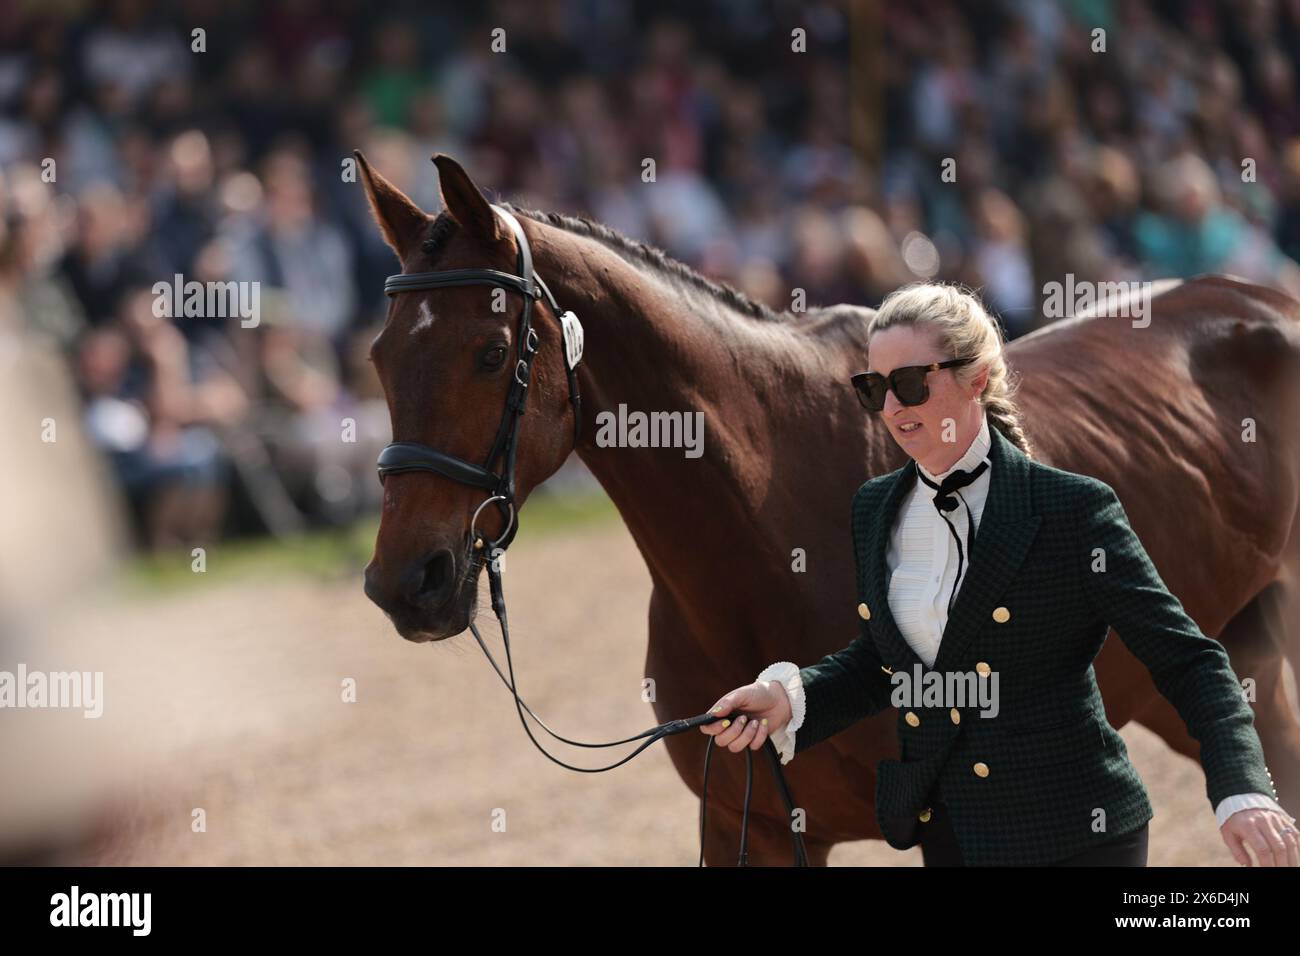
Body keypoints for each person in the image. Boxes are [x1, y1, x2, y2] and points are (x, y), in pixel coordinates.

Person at [702, 282, 1299, 867]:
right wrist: (791, 697)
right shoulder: (875, 509)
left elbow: (1187, 658)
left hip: (1077, 838)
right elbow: (890, 661)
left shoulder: (1071, 508)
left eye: (910, 384)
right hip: (952, 835)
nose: (891, 407)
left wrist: (1240, 791)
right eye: (874, 387)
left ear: (976, 380)